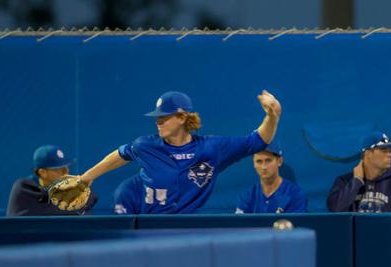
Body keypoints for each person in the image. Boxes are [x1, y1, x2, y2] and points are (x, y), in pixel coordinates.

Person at [72, 90, 281, 214]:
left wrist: (273, 117)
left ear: (182, 118)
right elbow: (121, 155)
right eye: (157, 117)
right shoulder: (145, 145)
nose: (158, 121)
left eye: (164, 117)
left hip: (189, 231)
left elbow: (259, 140)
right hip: (150, 229)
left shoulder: (211, 148)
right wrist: (86, 177)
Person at [327, 131, 391, 212]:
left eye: (390, 151)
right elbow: (335, 210)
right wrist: (356, 181)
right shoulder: (344, 182)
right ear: (368, 154)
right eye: (384, 151)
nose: (390, 154)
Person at [6, 145, 98, 216]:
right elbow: (53, 208)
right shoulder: (24, 187)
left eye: (66, 167)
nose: (66, 172)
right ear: (42, 172)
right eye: (59, 169)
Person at [236, 142, 307, 214]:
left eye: (268, 160)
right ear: (254, 164)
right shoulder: (247, 196)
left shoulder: (295, 195)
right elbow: (241, 224)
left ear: (279, 161)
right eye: (259, 161)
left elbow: (295, 224)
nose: (264, 167)